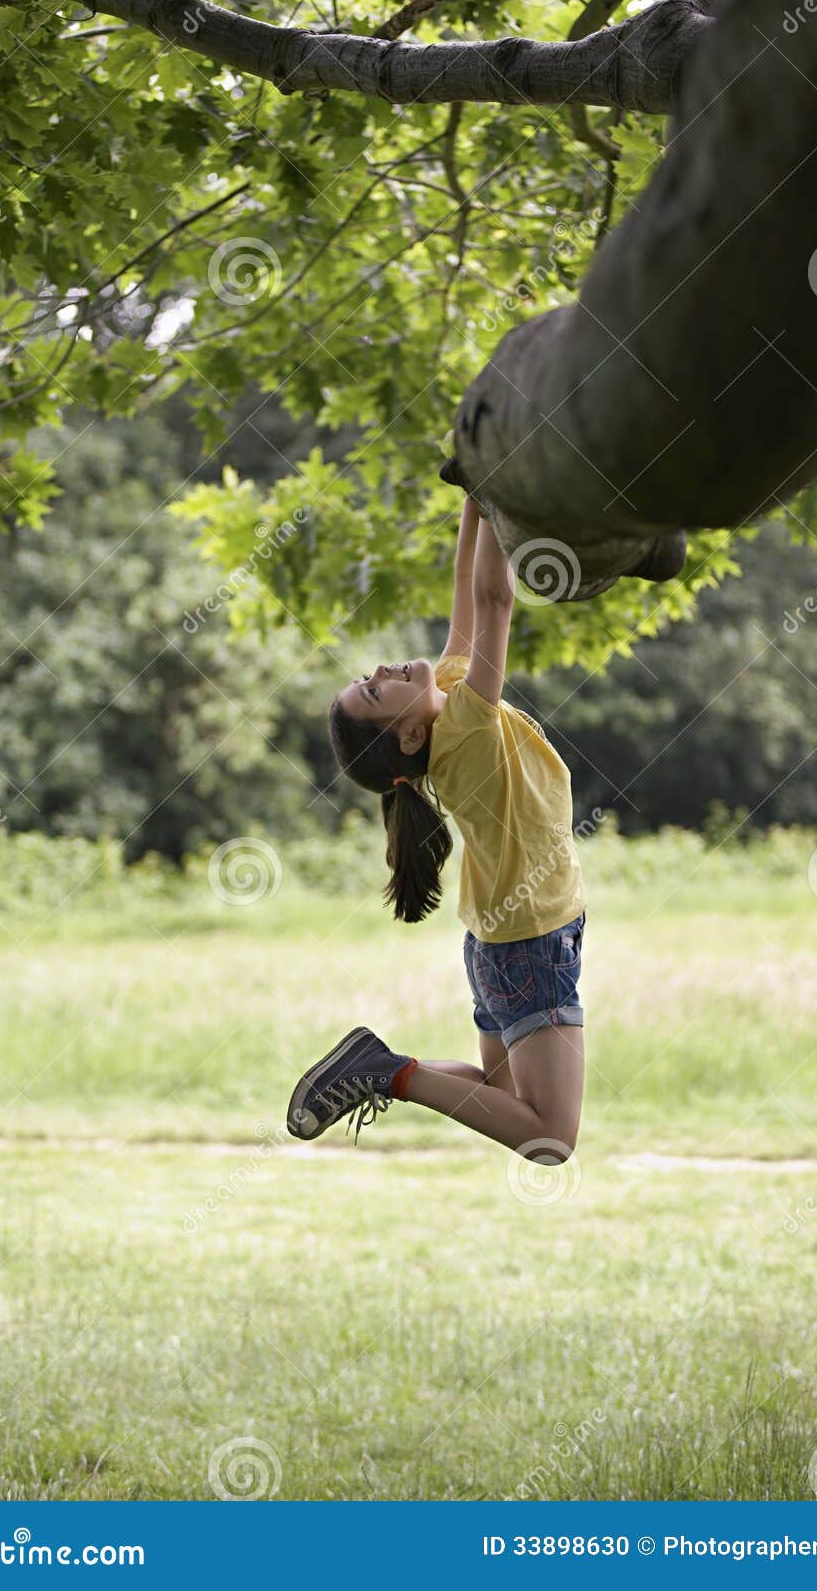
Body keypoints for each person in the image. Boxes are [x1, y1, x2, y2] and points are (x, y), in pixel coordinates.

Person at [286, 498, 587, 1165]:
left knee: (496, 1092)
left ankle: (383, 1068)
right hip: (529, 945)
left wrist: (474, 500)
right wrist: (509, 499)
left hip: (502, 942)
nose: (380, 672)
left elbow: (462, 596)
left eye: (364, 679)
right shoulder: (465, 736)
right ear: (410, 734)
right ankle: (388, 1072)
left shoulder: (446, 696)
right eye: (373, 693)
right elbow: (492, 599)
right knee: (548, 1138)